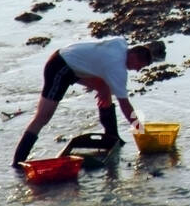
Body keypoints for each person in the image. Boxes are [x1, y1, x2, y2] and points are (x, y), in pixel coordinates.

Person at [12, 37, 155, 168]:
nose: (137, 70)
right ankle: (17, 163)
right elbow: (125, 106)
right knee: (42, 118)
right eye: (139, 65)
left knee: (105, 87)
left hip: (71, 62)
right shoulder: (117, 67)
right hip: (60, 67)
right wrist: (141, 130)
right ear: (133, 55)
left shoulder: (121, 44)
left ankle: (112, 137)